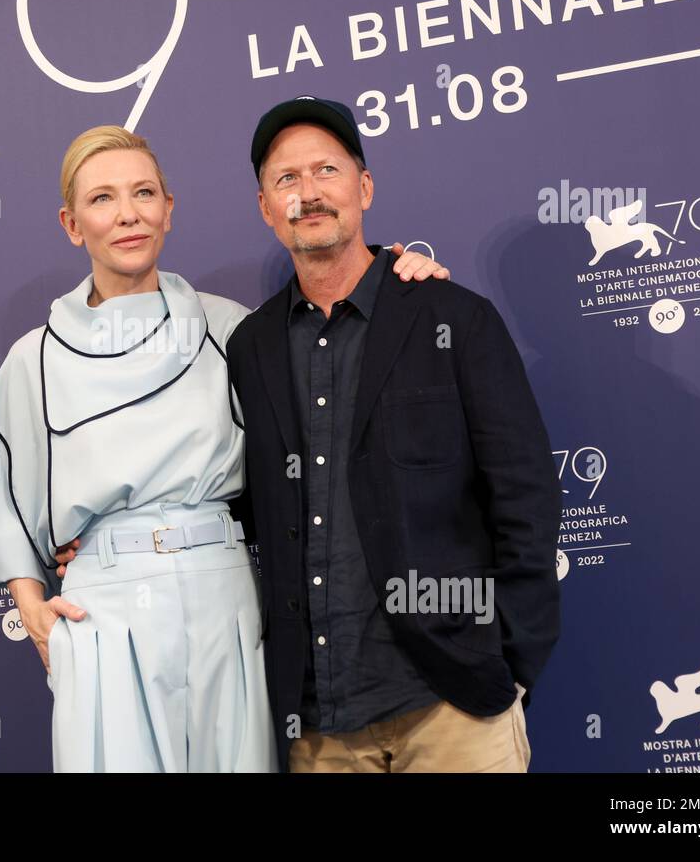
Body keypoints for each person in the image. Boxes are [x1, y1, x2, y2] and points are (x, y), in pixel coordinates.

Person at [0, 124, 448, 772]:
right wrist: (32, 607)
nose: (129, 213)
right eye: (103, 198)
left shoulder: (234, 329)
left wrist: (400, 281)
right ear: (71, 223)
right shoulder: (35, 359)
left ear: (169, 208)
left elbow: (330, 405)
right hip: (101, 609)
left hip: (226, 595)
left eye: (143, 192)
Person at [222, 95, 562, 772]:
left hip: (452, 711)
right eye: (287, 179)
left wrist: (508, 667)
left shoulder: (452, 318)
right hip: (320, 732)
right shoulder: (249, 347)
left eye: (327, 170)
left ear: (364, 187)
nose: (309, 193)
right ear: (265, 206)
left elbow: (524, 497)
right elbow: (243, 503)